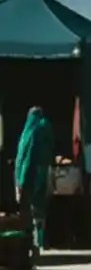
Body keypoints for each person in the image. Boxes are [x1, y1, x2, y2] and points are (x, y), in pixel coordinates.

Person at [14, 107, 54, 256]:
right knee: (39, 209)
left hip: (29, 176)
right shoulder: (44, 130)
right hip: (42, 174)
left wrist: (21, 181)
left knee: (28, 211)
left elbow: (26, 159)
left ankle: (31, 243)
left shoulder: (31, 133)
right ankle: (40, 241)